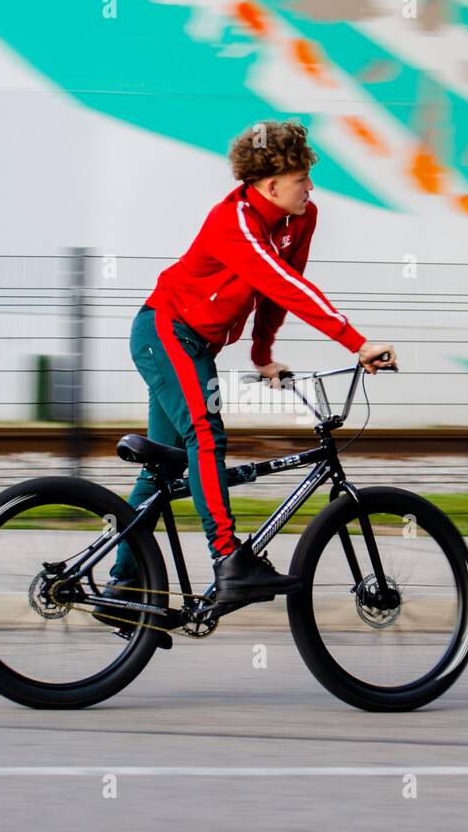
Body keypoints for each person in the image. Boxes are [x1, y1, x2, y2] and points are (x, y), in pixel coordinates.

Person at [100, 119, 396, 627]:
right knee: (205, 434)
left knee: (163, 469)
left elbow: (283, 286)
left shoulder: (300, 219)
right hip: (164, 333)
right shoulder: (233, 220)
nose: (311, 187)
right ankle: (227, 558)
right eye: (303, 178)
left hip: (199, 347)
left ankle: (121, 587)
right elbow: (280, 284)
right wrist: (358, 341)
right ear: (271, 183)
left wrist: (262, 354)